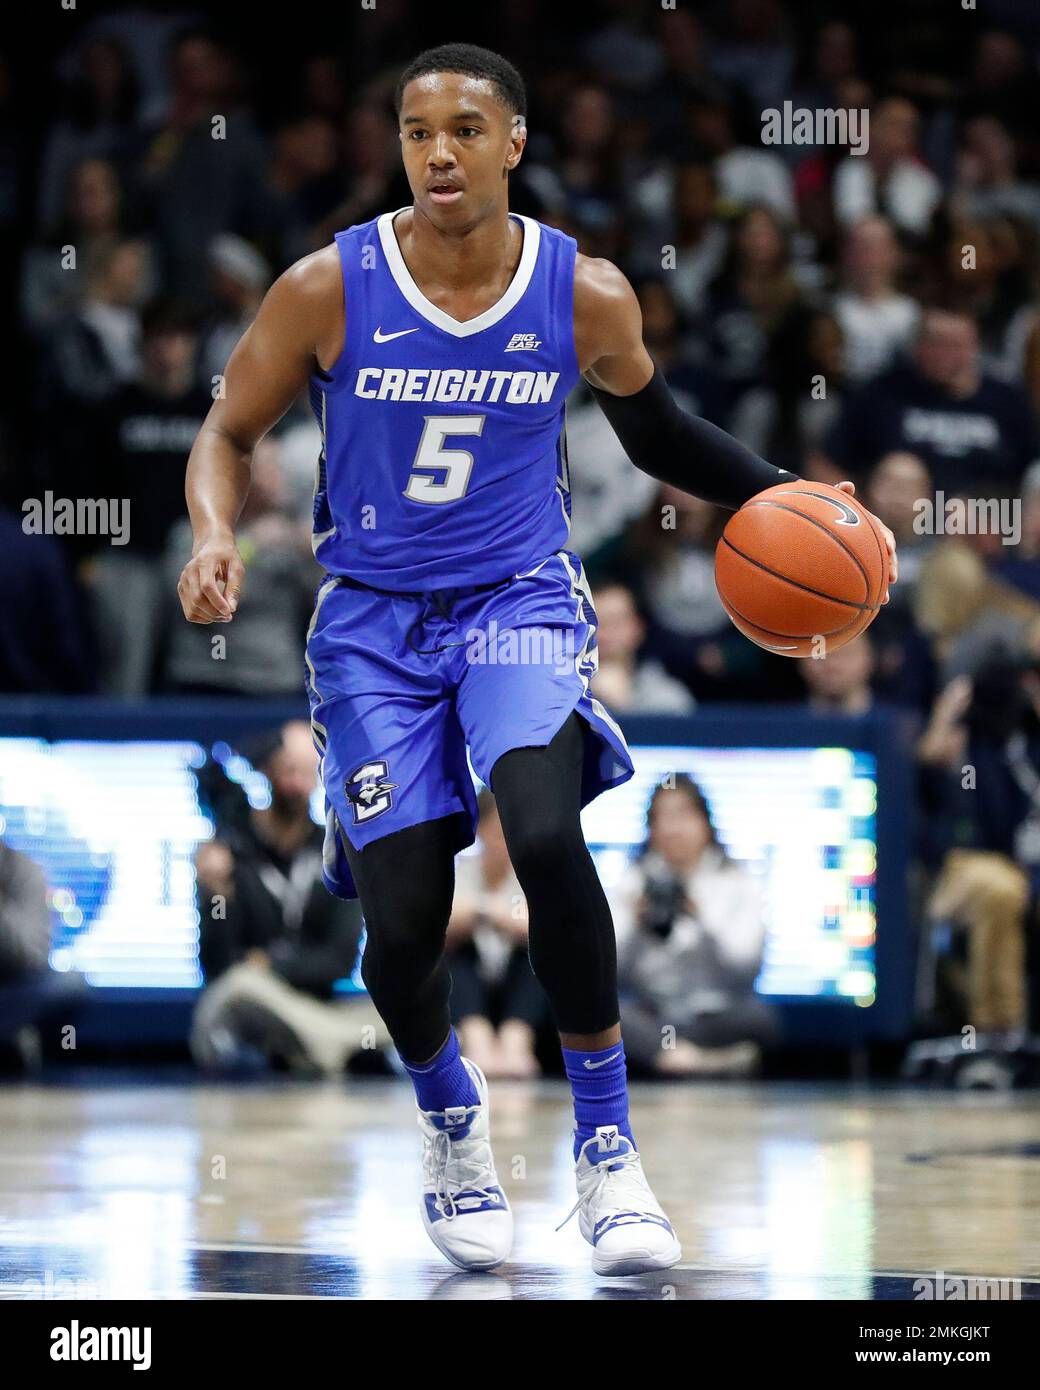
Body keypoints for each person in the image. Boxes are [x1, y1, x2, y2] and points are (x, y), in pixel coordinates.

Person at [176, 43, 897, 1277]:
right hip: (371, 621)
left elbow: (659, 429)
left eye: (463, 128)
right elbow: (227, 428)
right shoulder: (327, 287)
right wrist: (210, 531)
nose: (437, 152)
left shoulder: (586, 293)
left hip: (516, 597)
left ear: (513, 141)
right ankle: (452, 1119)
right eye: (414, 132)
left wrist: (797, 498)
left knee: (547, 831)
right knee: (402, 923)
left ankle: (607, 1154)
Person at [190, 722, 389, 1076]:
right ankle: (328, 1046)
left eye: (307, 773)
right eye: (288, 771)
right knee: (237, 988)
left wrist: (270, 963)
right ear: (267, 771)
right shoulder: (231, 850)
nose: (298, 785)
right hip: (250, 1003)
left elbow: (338, 960)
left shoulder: (337, 852)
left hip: (315, 1005)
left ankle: (313, 1044)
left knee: (403, 1009)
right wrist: (215, 896)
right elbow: (218, 967)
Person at [611, 777, 779, 1077]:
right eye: (663, 818)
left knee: (762, 1020)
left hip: (714, 1017)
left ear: (705, 822)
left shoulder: (738, 882)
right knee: (607, 1017)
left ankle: (672, 1057)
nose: (673, 829)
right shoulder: (633, 881)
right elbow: (608, 971)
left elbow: (746, 966)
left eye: (683, 815)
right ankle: (697, 1060)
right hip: (655, 1016)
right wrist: (633, 924)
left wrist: (700, 917)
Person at [445, 791, 548, 1079]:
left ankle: (516, 1041)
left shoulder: (534, 875)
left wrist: (495, 917)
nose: (505, 844)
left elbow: (546, 931)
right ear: (480, 831)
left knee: (534, 957)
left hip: (519, 998)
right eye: (498, 834)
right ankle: (477, 1040)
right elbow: (441, 924)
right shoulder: (461, 871)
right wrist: (488, 912)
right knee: (456, 953)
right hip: (472, 994)